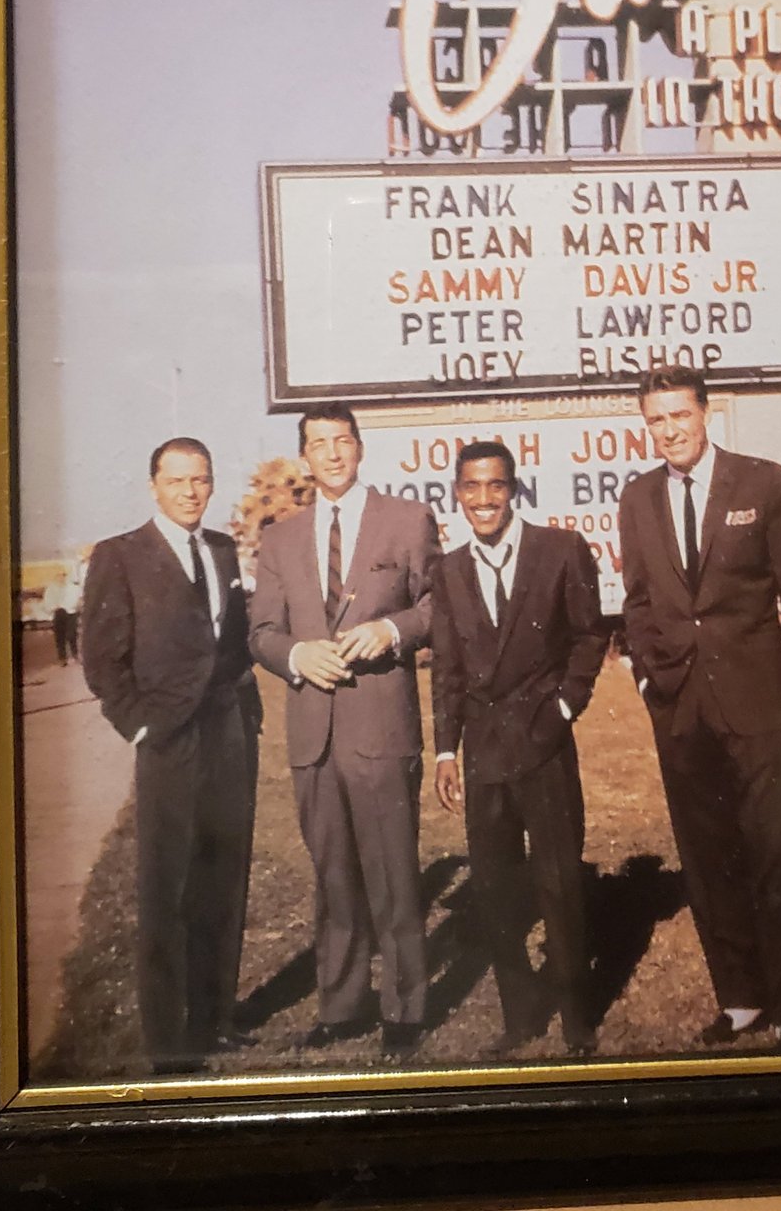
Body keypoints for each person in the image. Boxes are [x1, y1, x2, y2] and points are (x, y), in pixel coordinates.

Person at [617, 366, 781, 1051]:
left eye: (680, 414)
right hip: (679, 707)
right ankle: (739, 1000)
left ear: (706, 414)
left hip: (756, 701)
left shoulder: (761, 481)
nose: (670, 429)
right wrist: (652, 682)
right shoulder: (637, 497)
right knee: (708, 858)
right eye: (657, 419)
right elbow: (639, 602)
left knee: (773, 854)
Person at [248, 401, 440, 1060]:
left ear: (360, 447)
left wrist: (391, 631)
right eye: (318, 443)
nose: (331, 453)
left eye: (342, 440)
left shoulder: (406, 520)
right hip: (313, 734)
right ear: (305, 455)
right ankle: (342, 1005)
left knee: (392, 873)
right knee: (333, 877)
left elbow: (438, 604)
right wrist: (296, 657)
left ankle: (406, 1006)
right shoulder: (279, 538)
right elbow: (262, 631)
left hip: (381, 727)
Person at [81, 437, 261, 1075]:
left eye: (201, 480)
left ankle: (215, 1019)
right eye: (178, 480)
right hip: (169, 741)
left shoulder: (222, 549)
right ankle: (168, 1042)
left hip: (229, 739)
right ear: (153, 485)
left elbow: (231, 644)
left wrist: (249, 716)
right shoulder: (120, 555)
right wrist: (137, 726)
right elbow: (102, 659)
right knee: (168, 890)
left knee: (223, 880)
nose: (191, 491)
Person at [432, 442, 606, 1058]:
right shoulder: (447, 569)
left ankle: (577, 1019)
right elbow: (448, 669)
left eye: (496, 486)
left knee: (560, 883)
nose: (484, 500)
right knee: (494, 888)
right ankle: (521, 1015)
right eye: (472, 488)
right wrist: (444, 752)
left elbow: (590, 636)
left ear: (514, 489)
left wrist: (564, 707)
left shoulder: (559, 551)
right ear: (457, 492)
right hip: (482, 754)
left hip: (544, 744)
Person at [44, 568, 81, 665]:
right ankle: (62, 658)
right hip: (58, 613)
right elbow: (48, 602)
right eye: (59, 575)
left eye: (63, 575)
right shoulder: (51, 589)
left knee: (72, 635)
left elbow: (78, 598)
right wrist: (55, 607)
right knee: (60, 637)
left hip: (71, 613)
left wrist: (75, 605)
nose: (61, 577)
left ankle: (75, 654)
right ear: (55, 577)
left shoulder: (72, 587)